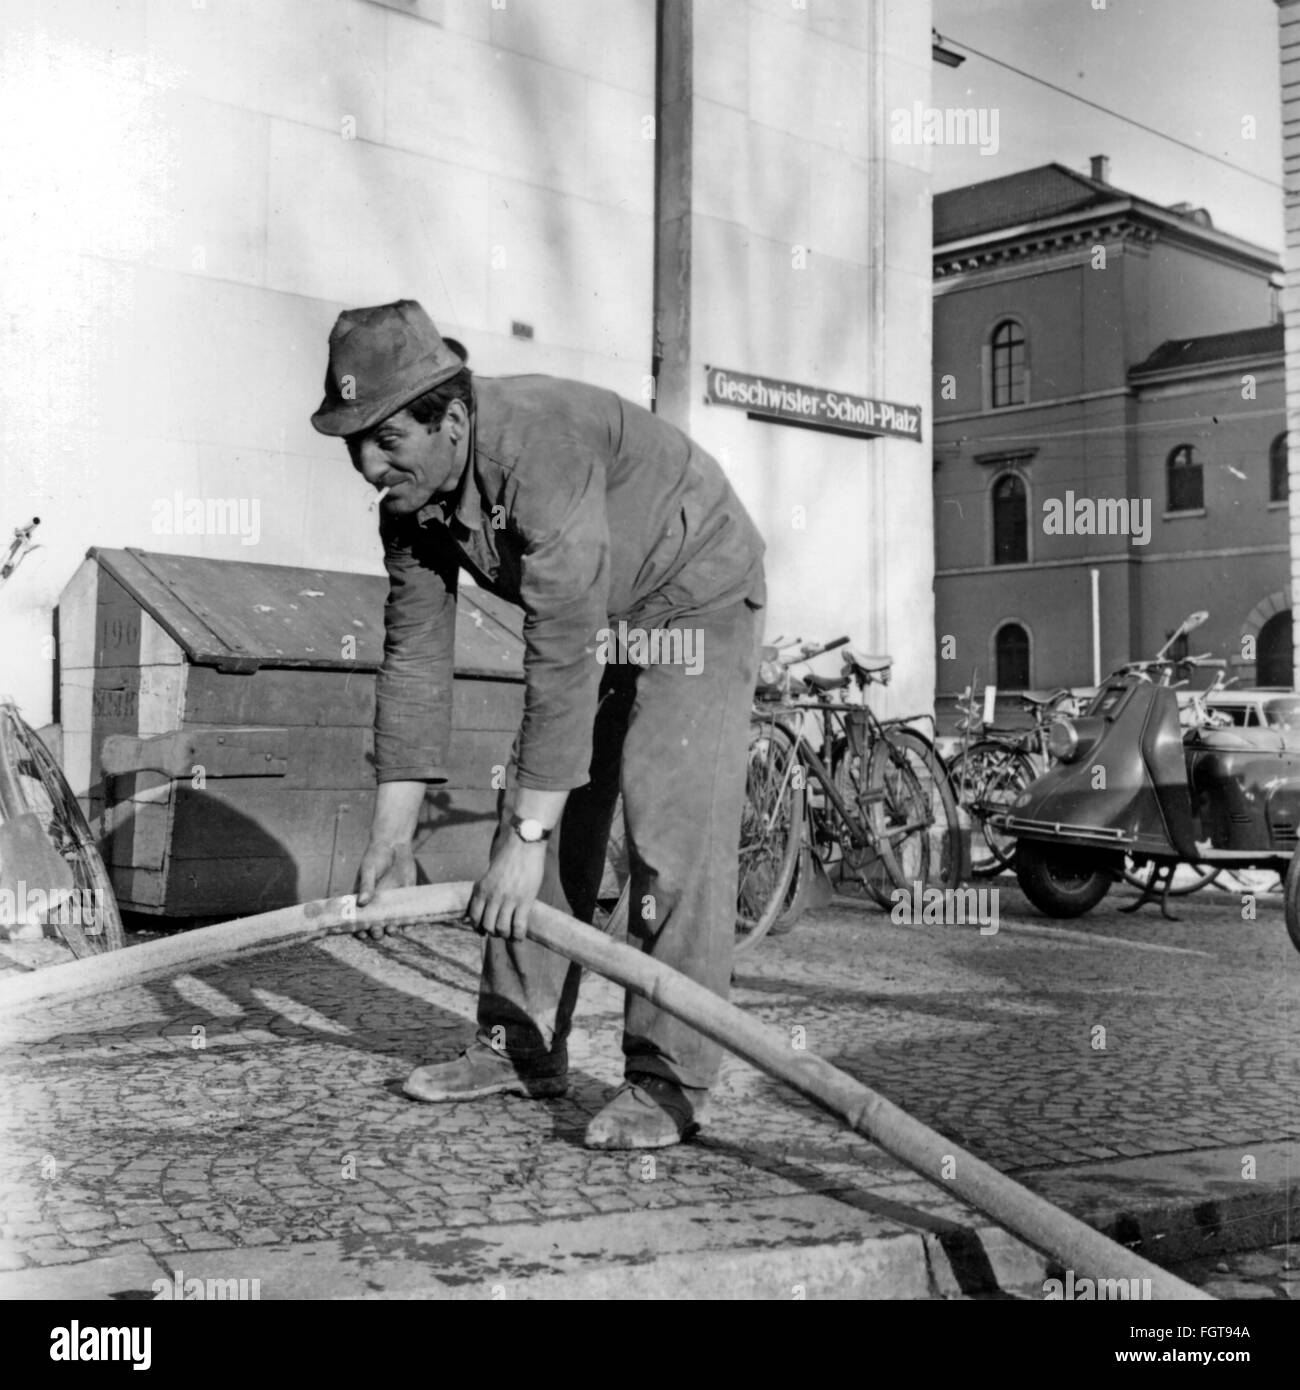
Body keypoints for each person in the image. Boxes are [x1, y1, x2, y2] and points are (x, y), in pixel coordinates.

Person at [311, 300, 766, 1149]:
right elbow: (413, 660)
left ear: (451, 418)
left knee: (668, 834)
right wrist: (391, 834)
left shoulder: (540, 450)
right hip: (598, 609)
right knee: (545, 822)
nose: (369, 465)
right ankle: (518, 1044)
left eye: (385, 440)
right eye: (353, 445)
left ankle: (669, 1079)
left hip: (692, 592)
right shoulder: (411, 505)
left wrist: (523, 833)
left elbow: (559, 655)